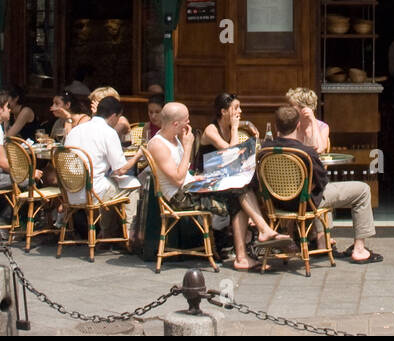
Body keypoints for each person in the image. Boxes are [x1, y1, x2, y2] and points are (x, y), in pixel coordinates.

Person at [147, 102, 291, 270]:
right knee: (239, 192)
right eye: (186, 120)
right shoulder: (158, 145)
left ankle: (252, 244)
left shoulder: (174, 138)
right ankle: (256, 239)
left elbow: (183, 175)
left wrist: (204, 177)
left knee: (241, 184)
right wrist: (188, 147)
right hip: (180, 198)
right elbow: (177, 180)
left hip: (191, 187)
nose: (189, 124)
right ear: (175, 124)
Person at [264, 102, 382, 264]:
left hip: (278, 204)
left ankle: (321, 240)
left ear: (276, 125)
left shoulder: (264, 151)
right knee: (362, 190)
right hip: (306, 203)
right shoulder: (305, 153)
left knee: (318, 191)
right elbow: (322, 180)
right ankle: (360, 249)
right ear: (298, 125)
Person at [63, 93, 140, 238]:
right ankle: (129, 235)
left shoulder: (75, 130)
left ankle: (108, 233)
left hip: (70, 192)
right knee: (133, 186)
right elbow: (120, 170)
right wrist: (138, 155)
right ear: (114, 116)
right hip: (93, 193)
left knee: (109, 184)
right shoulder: (108, 132)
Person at [199, 93, 257, 166]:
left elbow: (243, 123)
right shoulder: (210, 131)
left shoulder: (228, 124)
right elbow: (232, 154)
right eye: (236, 108)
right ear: (223, 112)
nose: (240, 111)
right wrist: (234, 128)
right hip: (203, 173)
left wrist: (248, 124)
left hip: (222, 170)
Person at [285, 88, 329, 154]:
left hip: (314, 163)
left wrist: (313, 121)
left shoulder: (322, 127)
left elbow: (320, 149)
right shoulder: (291, 125)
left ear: (304, 108)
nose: (288, 108)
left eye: (291, 105)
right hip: (294, 163)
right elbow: (284, 148)